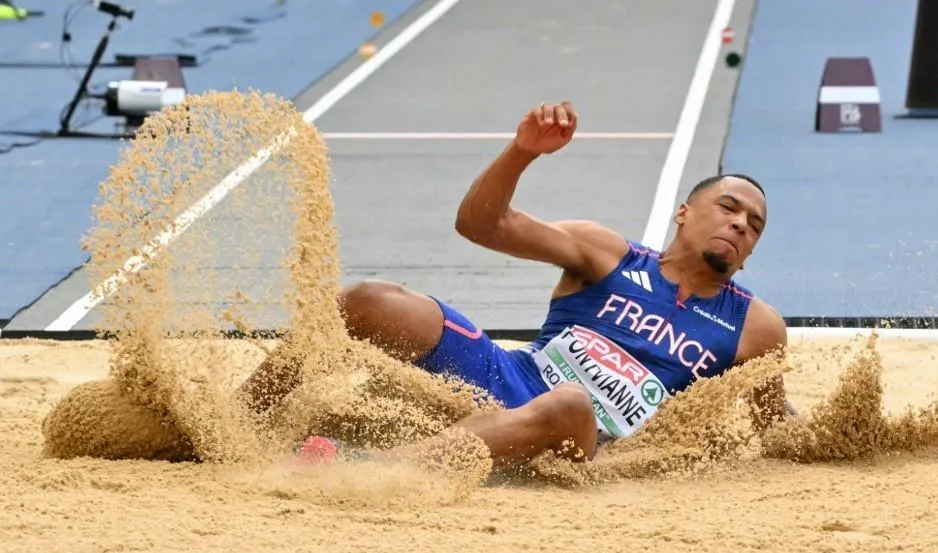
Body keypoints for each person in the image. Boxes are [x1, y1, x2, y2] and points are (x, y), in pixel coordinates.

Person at [240, 100, 794, 470]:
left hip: (580, 439)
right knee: (371, 302)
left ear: (749, 255)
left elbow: (776, 427)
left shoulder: (755, 326)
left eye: (755, 226)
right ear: (683, 213)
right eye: (728, 208)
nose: (741, 224)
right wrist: (522, 152)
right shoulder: (607, 254)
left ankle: (356, 470)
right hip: (507, 376)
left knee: (573, 402)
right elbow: (482, 226)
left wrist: (859, 429)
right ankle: (236, 421)